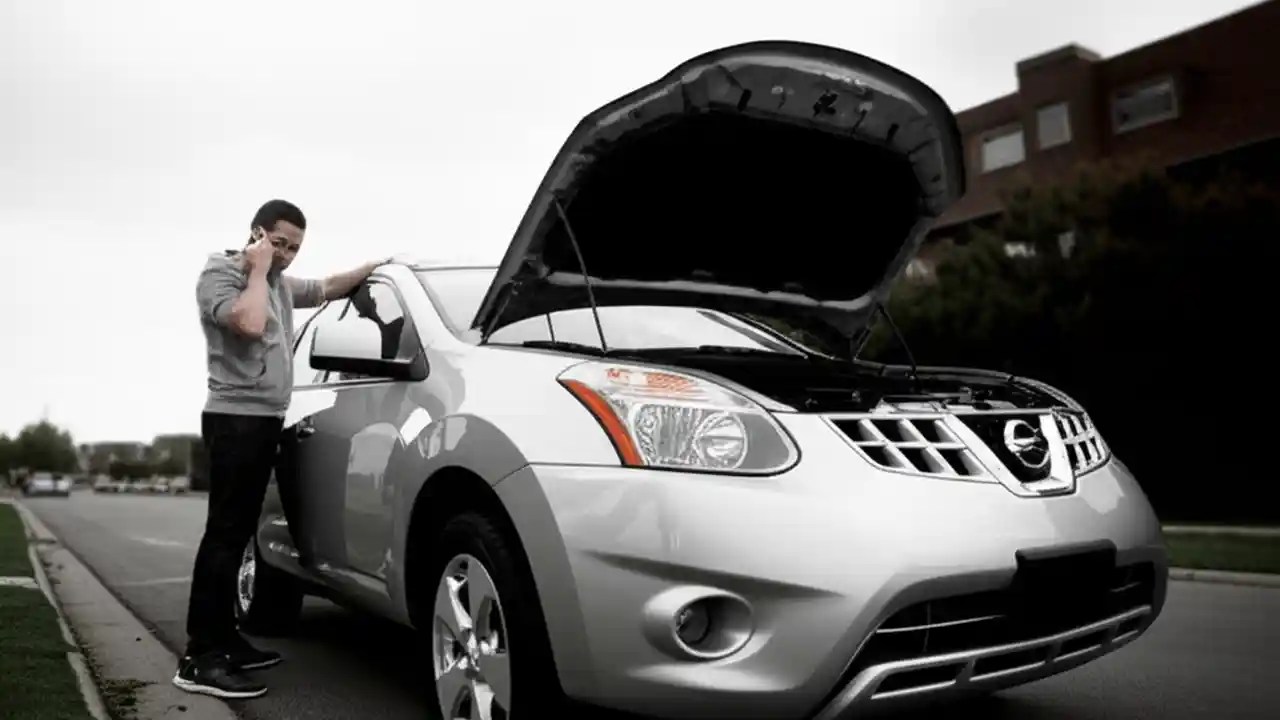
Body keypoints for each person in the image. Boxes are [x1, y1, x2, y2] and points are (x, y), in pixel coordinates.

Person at [173, 199, 388, 699]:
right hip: (234, 420)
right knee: (224, 537)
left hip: (265, 422)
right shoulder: (222, 274)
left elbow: (326, 287)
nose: (288, 255)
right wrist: (259, 267)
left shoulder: (277, 284)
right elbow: (248, 325)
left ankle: (226, 639)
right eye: (280, 243)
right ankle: (200, 658)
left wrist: (374, 269)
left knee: (239, 532)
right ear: (258, 233)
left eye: (295, 247)